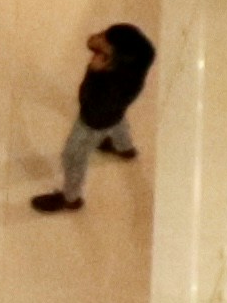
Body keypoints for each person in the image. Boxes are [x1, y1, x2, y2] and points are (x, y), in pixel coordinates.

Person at [35, 22, 158, 211]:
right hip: (115, 114)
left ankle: (71, 198)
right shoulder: (135, 70)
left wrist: (93, 73)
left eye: (105, 39)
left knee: (73, 156)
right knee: (118, 123)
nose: (99, 38)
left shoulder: (108, 82)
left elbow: (87, 101)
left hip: (93, 123)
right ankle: (125, 149)